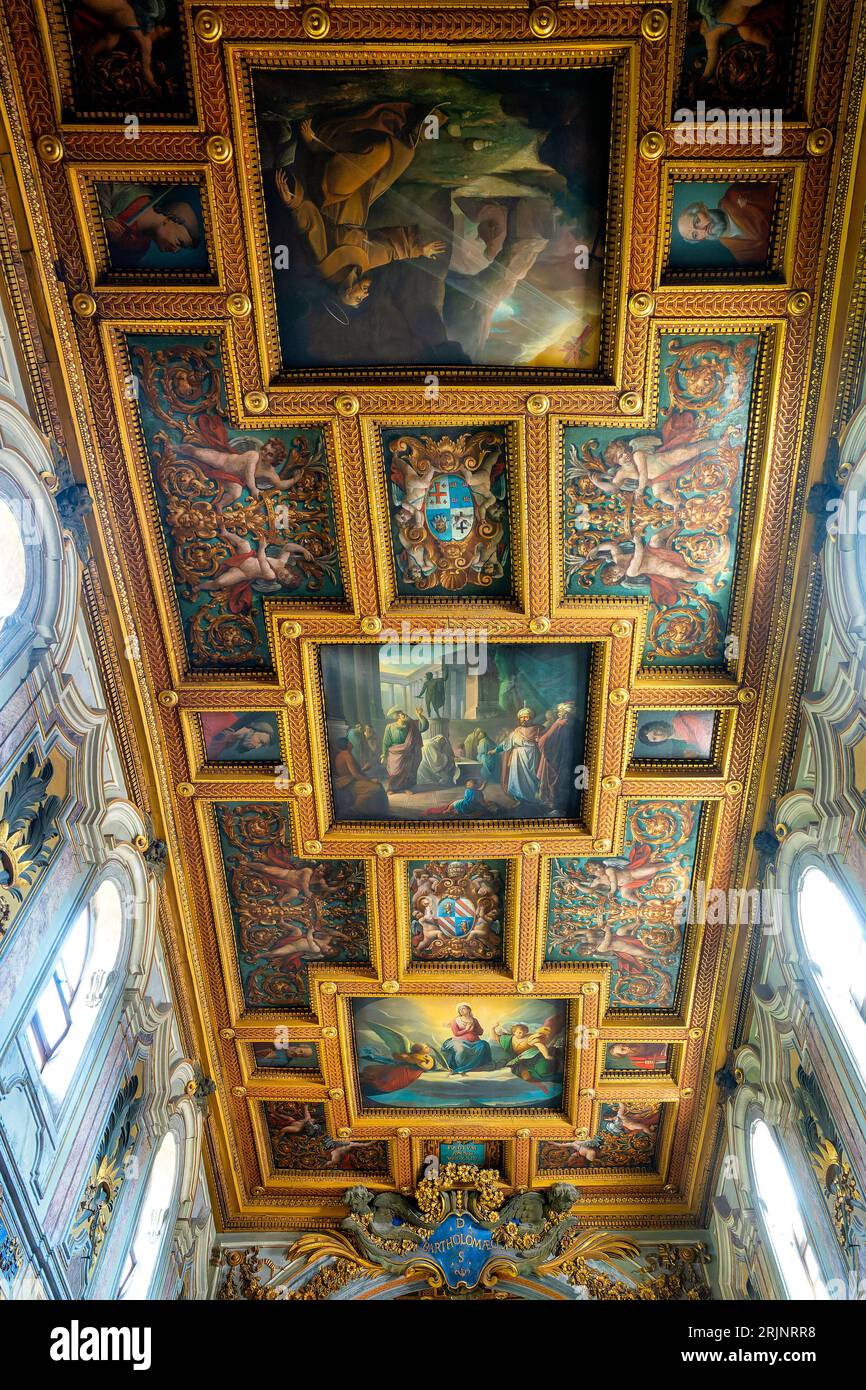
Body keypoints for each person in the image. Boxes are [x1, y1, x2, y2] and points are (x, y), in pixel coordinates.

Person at [273, 104, 447, 308]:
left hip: (333, 194)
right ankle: (420, 126)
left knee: (379, 152)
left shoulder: (327, 266)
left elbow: (309, 226)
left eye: (357, 298)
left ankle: (319, 143)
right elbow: (391, 251)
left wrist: (293, 202)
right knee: (402, 156)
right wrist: (420, 249)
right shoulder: (362, 264)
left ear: (346, 292)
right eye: (362, 299)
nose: (364, 296)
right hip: (361, 199)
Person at [675, 183, 776, 266]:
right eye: (695, 235)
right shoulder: (739, 255)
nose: (702, 230)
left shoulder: (735, 194)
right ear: (701, 239)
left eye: (697, 221)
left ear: (703, 208)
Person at [332, 738, 388, 818]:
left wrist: (365, 768)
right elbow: (356, 775)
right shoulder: (346, 754)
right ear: (347, 744)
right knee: (376, 787)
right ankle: (356, 809)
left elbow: (352, 771)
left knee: (378, 785)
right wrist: (371, 780)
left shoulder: (343, 754)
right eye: (349, 742)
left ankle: (377, 811)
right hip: (348, 783)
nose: (351, 742)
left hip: (350, 780)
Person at [497, 706, 543, 805]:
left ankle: (532, 798)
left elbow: (544, 742)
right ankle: (520, 799)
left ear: (531, 718)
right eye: (521, 717)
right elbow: (507, 743)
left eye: (526, 717)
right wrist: (496, 750)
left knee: (532, 777)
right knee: (517, 778)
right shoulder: (516, 731)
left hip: (531, 756)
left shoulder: (538, 729)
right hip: (517, 758)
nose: (523, 719)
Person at [538, 701, 578, 813]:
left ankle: (556, 804)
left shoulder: (561, 724)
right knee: (560, 780)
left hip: (560, 758)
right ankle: (557, 804)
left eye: (564, 713)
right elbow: (546, 741)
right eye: (561, 713)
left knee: (558, 780)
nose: (562, 715)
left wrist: (540, 740)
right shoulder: (565, 725)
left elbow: (543, 742)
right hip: (562, 757)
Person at [382, 706, 429, 792]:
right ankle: (392, 788)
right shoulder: (390, 727)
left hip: (408, 753)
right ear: (396, 716)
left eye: (402, 712)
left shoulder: (411, 725)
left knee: (407, 772)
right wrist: (384, 755)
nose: (402, 714)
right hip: (394, 753)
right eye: (399, 713)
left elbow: (424, 726)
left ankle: (406, 788)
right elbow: (386, 742)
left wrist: (419, 715)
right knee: (393, 772)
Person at [440, 1004, 492, 1073]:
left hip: (475, 1042)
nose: (461, 1010)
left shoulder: (474, 1020)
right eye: (460, 1010)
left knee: (484, 1044)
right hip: (459, 1041)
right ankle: (461, 1068)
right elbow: (456, 1033)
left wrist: (474, 1028)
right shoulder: (455, 1020)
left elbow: (480, 1032)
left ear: (469, 1010)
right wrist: (466, 1030)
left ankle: (478, 1066)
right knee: (461, 1049)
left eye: (463, 1008)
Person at [636, 712, 713, 758]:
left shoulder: (680, 718)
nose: (657, 736)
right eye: (654, 739)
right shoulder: (678, 746)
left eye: (655, 732)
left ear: (658, 726)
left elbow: (704, 728)